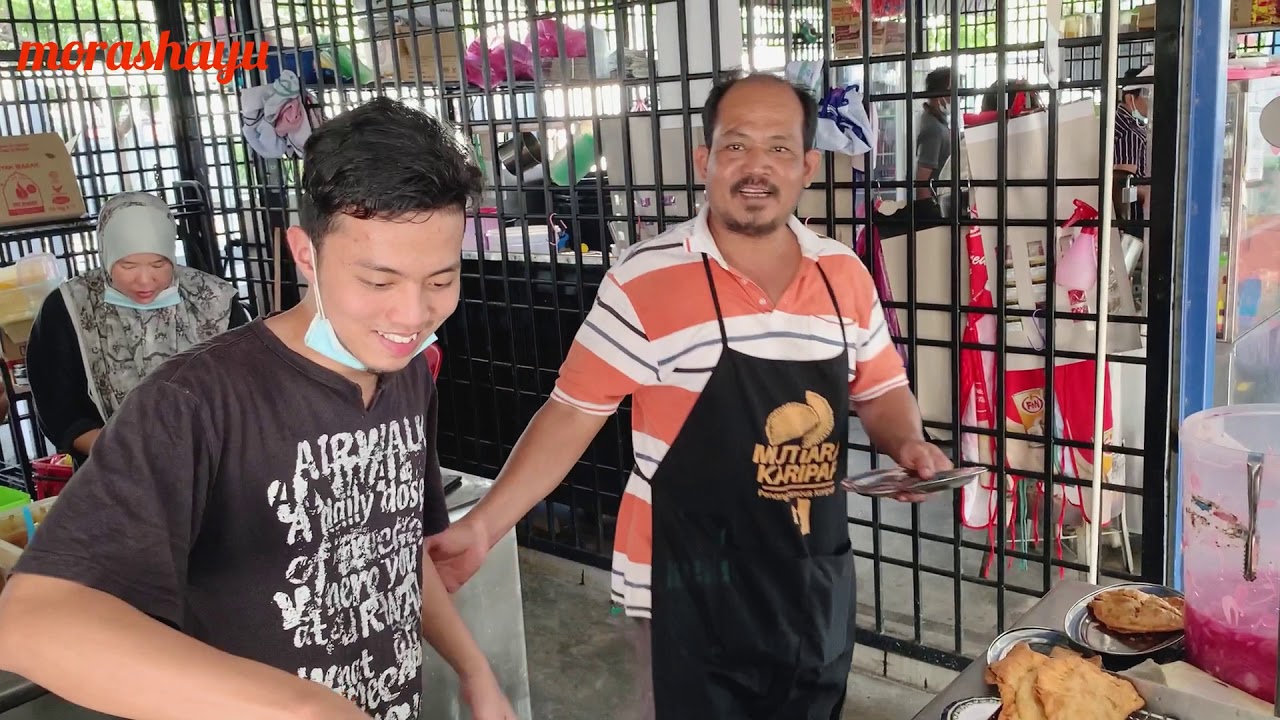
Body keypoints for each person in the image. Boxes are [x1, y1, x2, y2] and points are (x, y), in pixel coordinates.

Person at [427, 71, 952, 719]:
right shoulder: (643, 279)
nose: (756, 166)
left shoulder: (844, 275)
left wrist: (908, 445)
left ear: (809, 165)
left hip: (810, 570)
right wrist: (484, 525)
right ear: (703, 158)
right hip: (683, 581)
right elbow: (570, 414)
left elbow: (882, 389)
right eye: (735, 145)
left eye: (779, 148)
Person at [0, 98, 517, 720]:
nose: (411, 316)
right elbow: (31, 621)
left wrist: (473, 670)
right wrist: (305, 708)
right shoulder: (193, 401)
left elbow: (391, 547)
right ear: (306, 254)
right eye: (378, 282)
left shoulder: (405, 376)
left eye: (440, 280)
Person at [25, 191, 250, 467]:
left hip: (210, 464)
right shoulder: (67, 308)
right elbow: (59, 410)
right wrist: (125, 451)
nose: (145, 280)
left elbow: (245, 389)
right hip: (112, 468)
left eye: (159, 264)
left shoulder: (213, 301)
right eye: (127, 265)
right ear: (106, 256)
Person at [1113, 66, 1151, 239]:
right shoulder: (1131, 130)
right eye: (1146, 95)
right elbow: (1123, 181)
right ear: (1130, 98)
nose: (1149, 102)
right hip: (1129, 217)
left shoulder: (1115, 120)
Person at [916, 66, 953, 201]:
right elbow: (922, 182)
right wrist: (930, 218)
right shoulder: (933, 128)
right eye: (952, 90)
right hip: (937, 207)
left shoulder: (937, 122)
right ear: (940, 95)